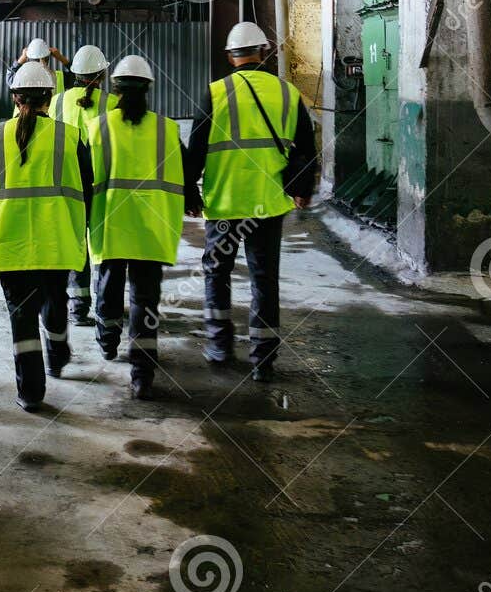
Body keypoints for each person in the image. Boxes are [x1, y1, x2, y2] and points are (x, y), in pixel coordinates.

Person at [184, 21, 319, 382]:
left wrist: (190, 192)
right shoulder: (288, 93)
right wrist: (303, 189)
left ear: (231, 57)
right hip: (267, 204)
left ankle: (218, 345)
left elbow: (195, 149)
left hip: (226, 203)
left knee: (216, 272)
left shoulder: (214, 93)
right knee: (263, 278)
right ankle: (263, 360)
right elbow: (306, 148)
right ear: (264, 53)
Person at [0, 60, 92, 412]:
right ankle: (57, 355)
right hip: (55, 241)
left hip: (9, 244)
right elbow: (88, 186)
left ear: (14, 97)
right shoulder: (69, 136)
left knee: (21, 318)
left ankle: (31, 392)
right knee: (55, 304)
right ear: (50, 98)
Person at [87, 55, 184, 401]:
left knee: (108, 289)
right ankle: (142, 374)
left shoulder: (98, 127)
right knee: (146, 301)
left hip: (111, 222)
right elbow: (185, 173)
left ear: (115, 90)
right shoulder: (166, 128)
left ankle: (108, 345)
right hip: (151, 227)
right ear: (148, 90)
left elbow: (86, 178)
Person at [53, 43, 116, 327]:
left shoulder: (56, 101)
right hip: (101, 183)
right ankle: (105, 306)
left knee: (76, 242)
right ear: (102, 74)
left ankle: (78, 308)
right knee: (102, 246)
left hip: (68, 182)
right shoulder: (112, 103)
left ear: (74, 73)